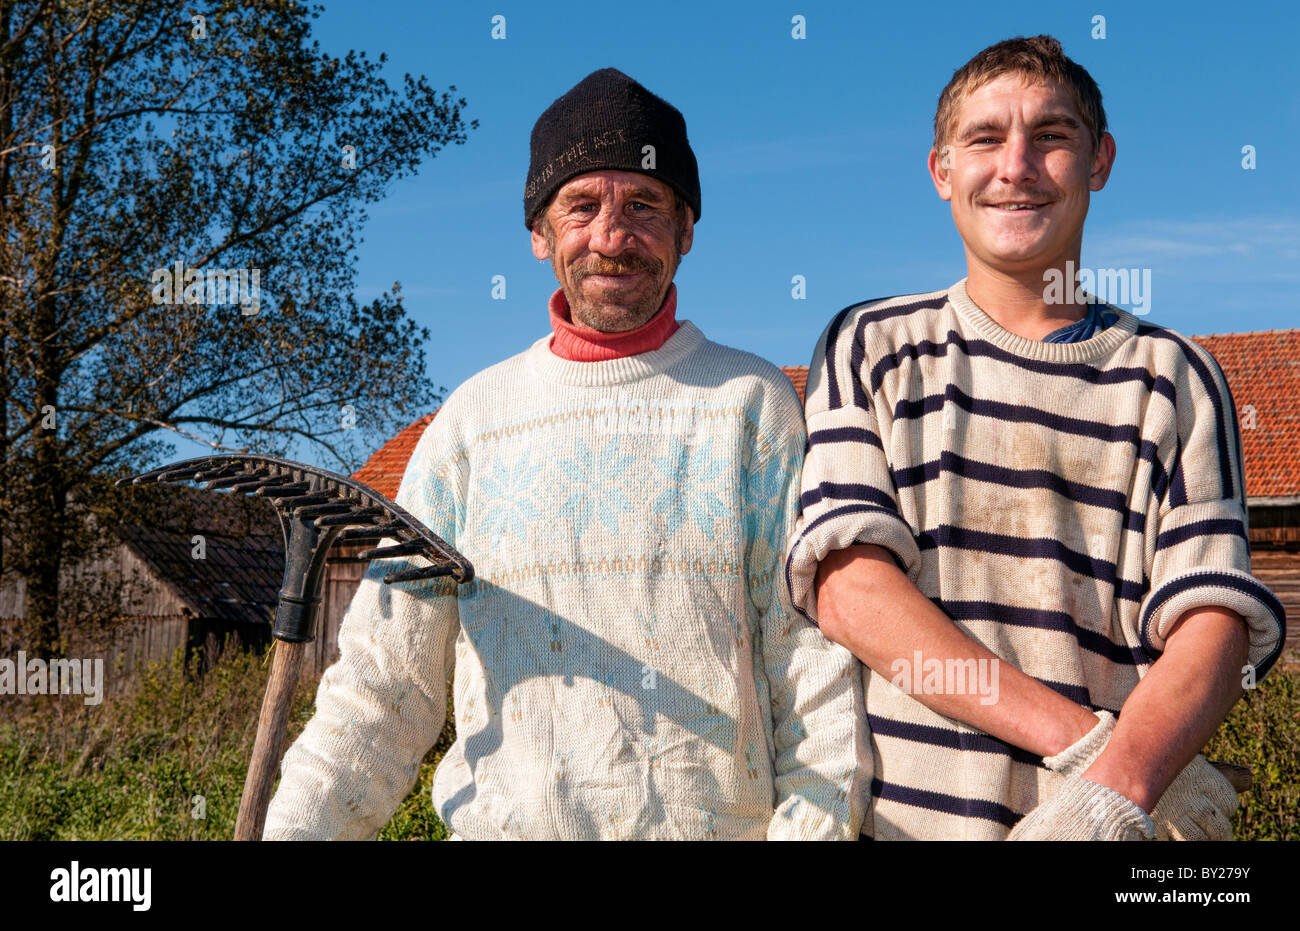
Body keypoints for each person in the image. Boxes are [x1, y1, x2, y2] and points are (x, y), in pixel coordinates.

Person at [265, 68, 869, 840]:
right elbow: (383, 688)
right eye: (581, 206)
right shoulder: (473, 423)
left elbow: (811, 672)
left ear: (686, 231)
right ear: (539, 233)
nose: (612, 238)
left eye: (644, 205)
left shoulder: (749, 405)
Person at [784, 36, 1285, 840]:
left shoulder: (1177, 376)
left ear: (1100, 161)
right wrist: (1098, 759)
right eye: (984, 138)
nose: (1016, 165)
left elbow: (1214, 619)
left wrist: (1109, 803)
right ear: (941, 171)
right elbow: (850, 589)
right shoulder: (871, 346)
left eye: (1051, 136)